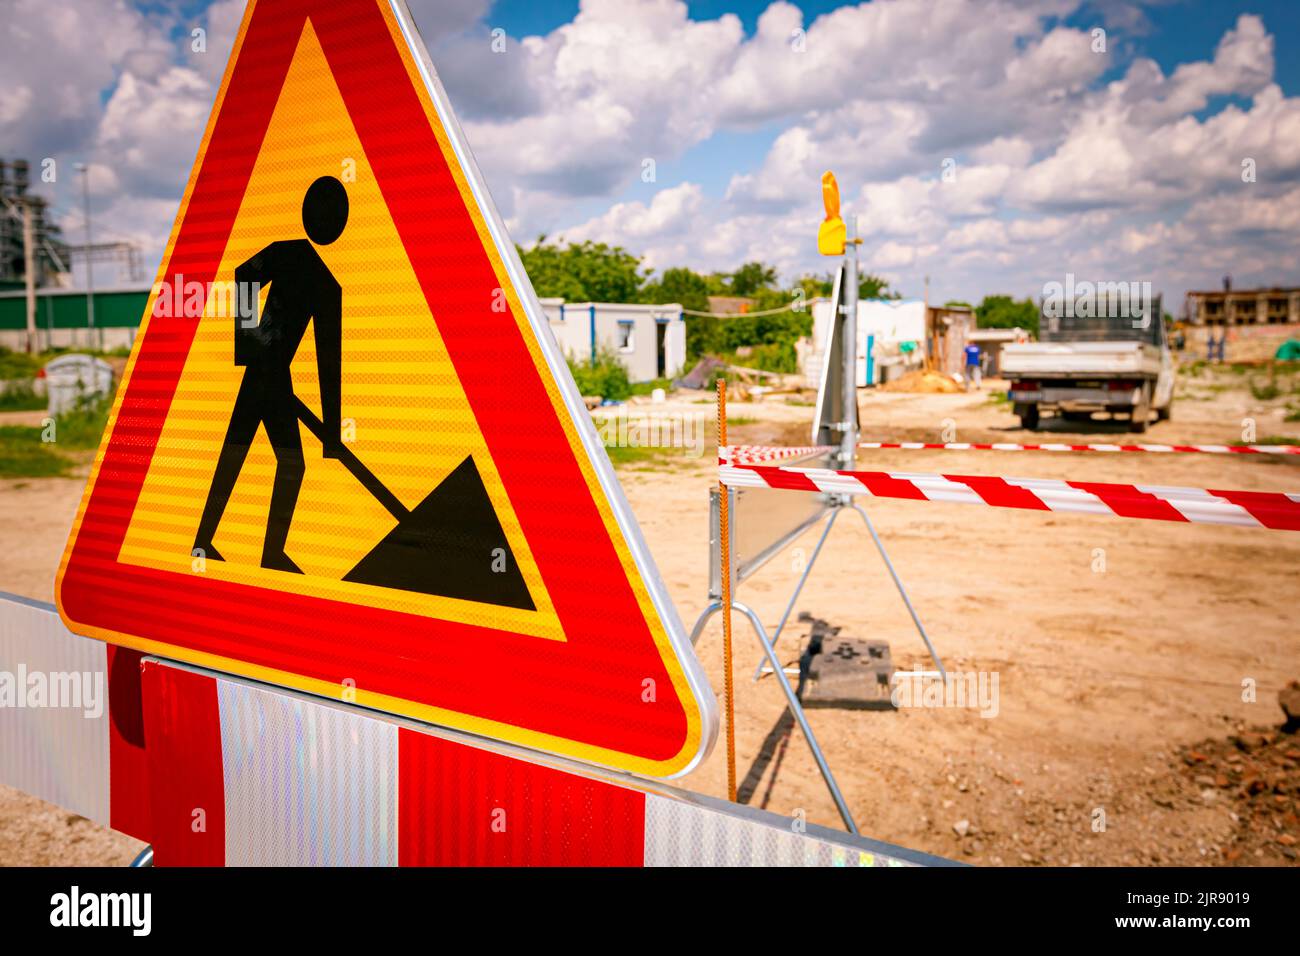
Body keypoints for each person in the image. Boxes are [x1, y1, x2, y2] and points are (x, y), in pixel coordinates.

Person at [192, 176, 347, 573]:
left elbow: (329, 361)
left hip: (273, 375)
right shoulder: (302, 264)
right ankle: (263, 554)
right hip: (268, 373)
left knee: (239, 451)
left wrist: (332, 432)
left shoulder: (325, 282)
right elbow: (244, 275)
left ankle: (207, 543)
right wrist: (249, 347)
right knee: (278, 462)